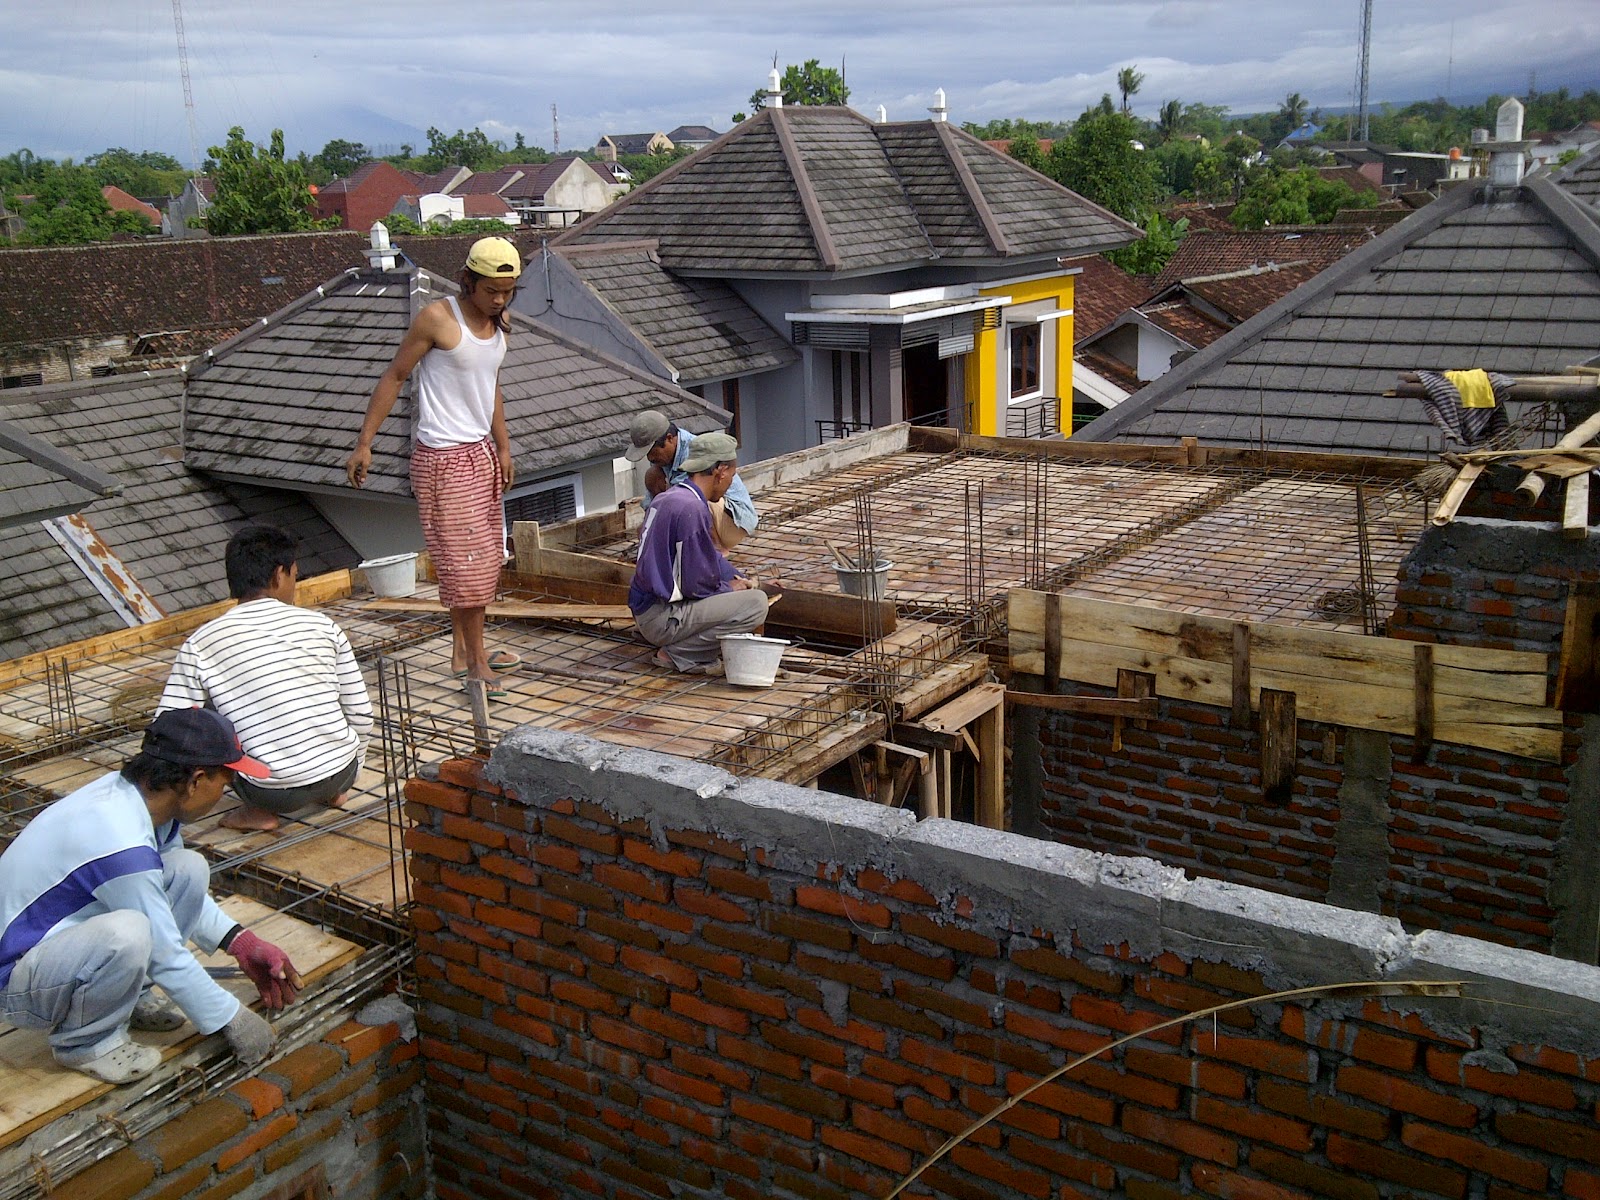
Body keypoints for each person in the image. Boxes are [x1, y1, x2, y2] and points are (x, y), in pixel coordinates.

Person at [0, 708, 300, 1084]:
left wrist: (241, 942)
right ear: (195, 780)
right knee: (129, 932)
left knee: (189, 867)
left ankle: (130, 997)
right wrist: (231, 1018)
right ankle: (86, 1041)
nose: (225, 795)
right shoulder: (118, 839)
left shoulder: (142, 802)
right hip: (15, 978)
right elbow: (162, 947)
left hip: (58, 949)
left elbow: (159, 893)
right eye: (225, 782)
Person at [346, 236, 522, 695]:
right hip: (443, 458)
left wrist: (503, 447)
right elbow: (395, 375)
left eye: (507, 290)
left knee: (485, 561)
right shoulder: (438, 319)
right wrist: (366, 443)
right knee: (465, 567)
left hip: (480, 453)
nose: (499, 299)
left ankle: (465, 651)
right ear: (469, 280)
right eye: (491, 290)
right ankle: (476, 663)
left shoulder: (497, 323)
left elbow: (492, 387)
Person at [157, 525, 374, 833]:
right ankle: (332, 793)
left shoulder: (201, 643)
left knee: (206, 714)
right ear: (277, 576)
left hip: (267, 789)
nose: (295, 585)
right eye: (294, 575)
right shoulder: (323, 625)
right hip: (341, 772)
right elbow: (362, 715)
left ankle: (258, 812)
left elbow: (170, 725)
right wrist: (354, 768)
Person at [629, 431, 769, 674]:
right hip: (661, 618)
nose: (728, 486)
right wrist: (729, 589)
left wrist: (736, 577)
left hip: (646, 610)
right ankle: (677, 653)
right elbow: (696, 585)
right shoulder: (692, 509)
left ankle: (676, 644)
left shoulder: (675, 497)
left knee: (742, 593)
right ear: (720, 471)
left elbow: (708, 557)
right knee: (756, 605)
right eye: (731, 477)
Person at [625, 411, 759, 552]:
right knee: (653, 476)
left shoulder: (694, 449)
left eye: (652, 451)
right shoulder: (662, 460)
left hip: (732, 523)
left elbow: (689, 496)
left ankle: (714, 549)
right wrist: (647, 526)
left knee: (690, 496)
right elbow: (652, 504)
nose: (650, 458)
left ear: (670, 439)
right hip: (705, 512)